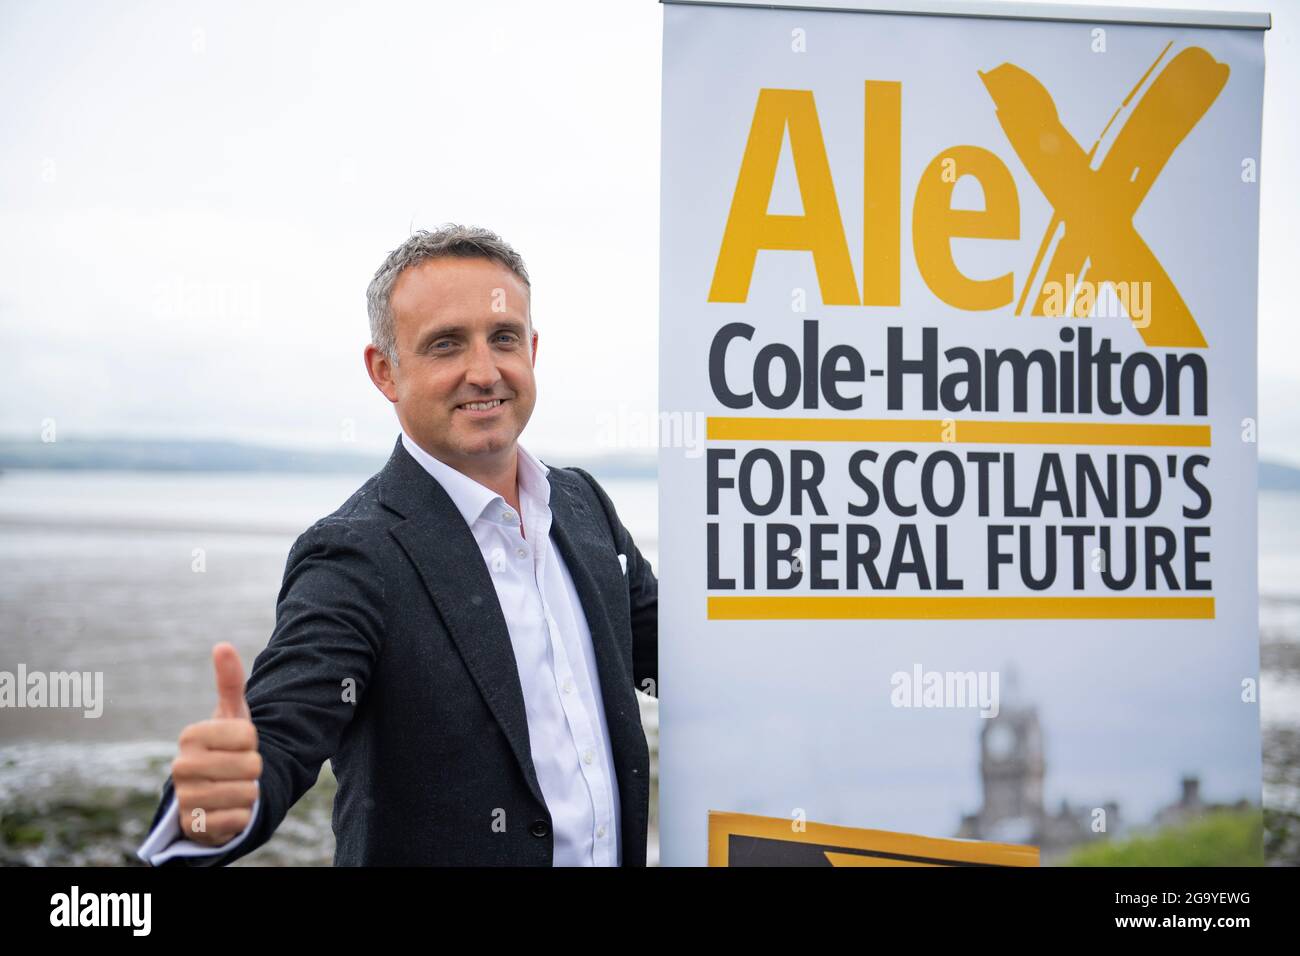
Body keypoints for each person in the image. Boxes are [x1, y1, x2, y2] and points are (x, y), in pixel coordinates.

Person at [136, 225, 658, 866]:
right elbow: (281, 729)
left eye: (503, 338)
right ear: (386, 371)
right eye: (445, 345)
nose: (484, 371)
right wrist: (214, 811)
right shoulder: (355, 554)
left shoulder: (583, 507)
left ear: (533, 349)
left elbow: (678, 654)